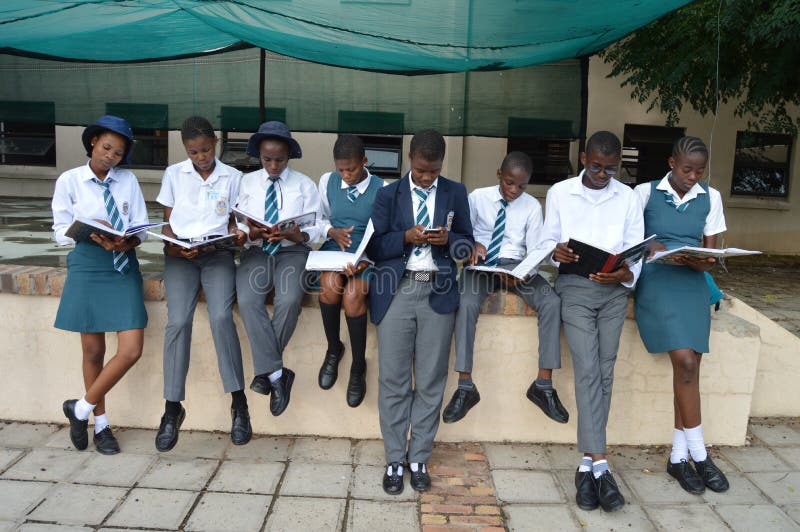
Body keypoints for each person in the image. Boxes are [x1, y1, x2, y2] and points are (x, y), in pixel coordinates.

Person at [539, 131, 644, 512]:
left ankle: (587, 466)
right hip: (575, 287)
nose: (602, 175)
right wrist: (557, 253)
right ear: (584, 158)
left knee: (604, 371)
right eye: (596, 166)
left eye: (611, 169)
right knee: (587, 369)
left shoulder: (628, 197)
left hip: (613, 290)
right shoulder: (560, 192)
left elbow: (636, 249)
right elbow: (547, 244)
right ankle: (601, 463)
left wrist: (626, 274)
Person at [367, 129, 474, 495]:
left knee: (430, 379)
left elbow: (467, 242)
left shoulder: (455, 192)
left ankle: (419, 458)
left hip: (438, 291)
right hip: (396, 290)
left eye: (434, 171)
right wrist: (406, 237)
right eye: (421, 170)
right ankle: (395, 458)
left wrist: (451, 241)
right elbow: (374, 247)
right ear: (410, 159)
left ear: (442, 164)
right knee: (393, 379)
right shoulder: (388, 194)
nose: (427, 177)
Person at [634, 136, 730, 495]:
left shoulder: (711, 197)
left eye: (699, 171)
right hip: (657, 280)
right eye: (687, 169)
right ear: (672, 162)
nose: (692, 177)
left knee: (690, 370)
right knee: (686, 363)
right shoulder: (644, 193)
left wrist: (698, 260)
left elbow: (711, 256)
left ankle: (678, 457)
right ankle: (700, 455)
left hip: (693, 283)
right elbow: (628, 239)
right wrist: (651, 244)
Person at [443, 151, 567, 424]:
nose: (514, 190)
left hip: (516, 265)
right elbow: (461, 232)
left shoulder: (532, 206)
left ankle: (543, 385)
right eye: (509, 183)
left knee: (552, 302)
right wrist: (472, 245)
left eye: (521, 186)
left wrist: (525, 272)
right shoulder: (478, 197)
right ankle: (465, 386)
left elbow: (536, 249)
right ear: (499, 174)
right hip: (482, 263)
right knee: (466, 303)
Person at [53, 115, 148, 455]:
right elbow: (59, 230)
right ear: (93, 142)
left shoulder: (128, 181)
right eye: (107, 148)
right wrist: (88, 230)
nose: (111, 156)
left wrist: (126, 241)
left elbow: (140, 227)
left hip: (121, 264)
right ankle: (101, 425)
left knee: (131, 349)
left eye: (118, 153)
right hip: (88, 264)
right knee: (93, 351)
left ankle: (79, 409)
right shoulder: (70, 180)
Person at [154, 116, 249, 452]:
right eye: (193, 152)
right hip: (180, 256)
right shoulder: (174, 174)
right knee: (178, 321)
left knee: (221, 317)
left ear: (215, 144)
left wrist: (238, 234)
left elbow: (239, 222)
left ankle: (239, 404)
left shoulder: (233, 177)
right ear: (185, 149)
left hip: (217, 255)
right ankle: (172, 409)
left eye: (206, 150)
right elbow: (167, 224)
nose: (201, 157)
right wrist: (174, 244)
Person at [235, 121, 321, 416]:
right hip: (257, 251)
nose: (273, 165)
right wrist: (250, 232)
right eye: (267, 159)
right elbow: (236, 224)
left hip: (292, 251)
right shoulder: (245, 183)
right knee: (248, 299)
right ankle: (275, 375)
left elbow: (319, 225)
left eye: (280, 159)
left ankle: (265, 372)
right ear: (259, 155)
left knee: (289, 299)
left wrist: (299, 235)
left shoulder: (305, 185)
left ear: (289, 155)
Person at [316, 134, 385, 407]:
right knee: (330, 286)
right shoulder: (327, 181)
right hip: (336, 247)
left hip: (366, 253)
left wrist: (366, 259)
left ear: (364, 161)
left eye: (352, 169)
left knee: (354, 295)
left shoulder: (382, 189)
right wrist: (330, 230)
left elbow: (383, 233)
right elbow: (319, 218)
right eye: (341, 169)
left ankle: (358, 365)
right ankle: (334, 348)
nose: (345, 175)